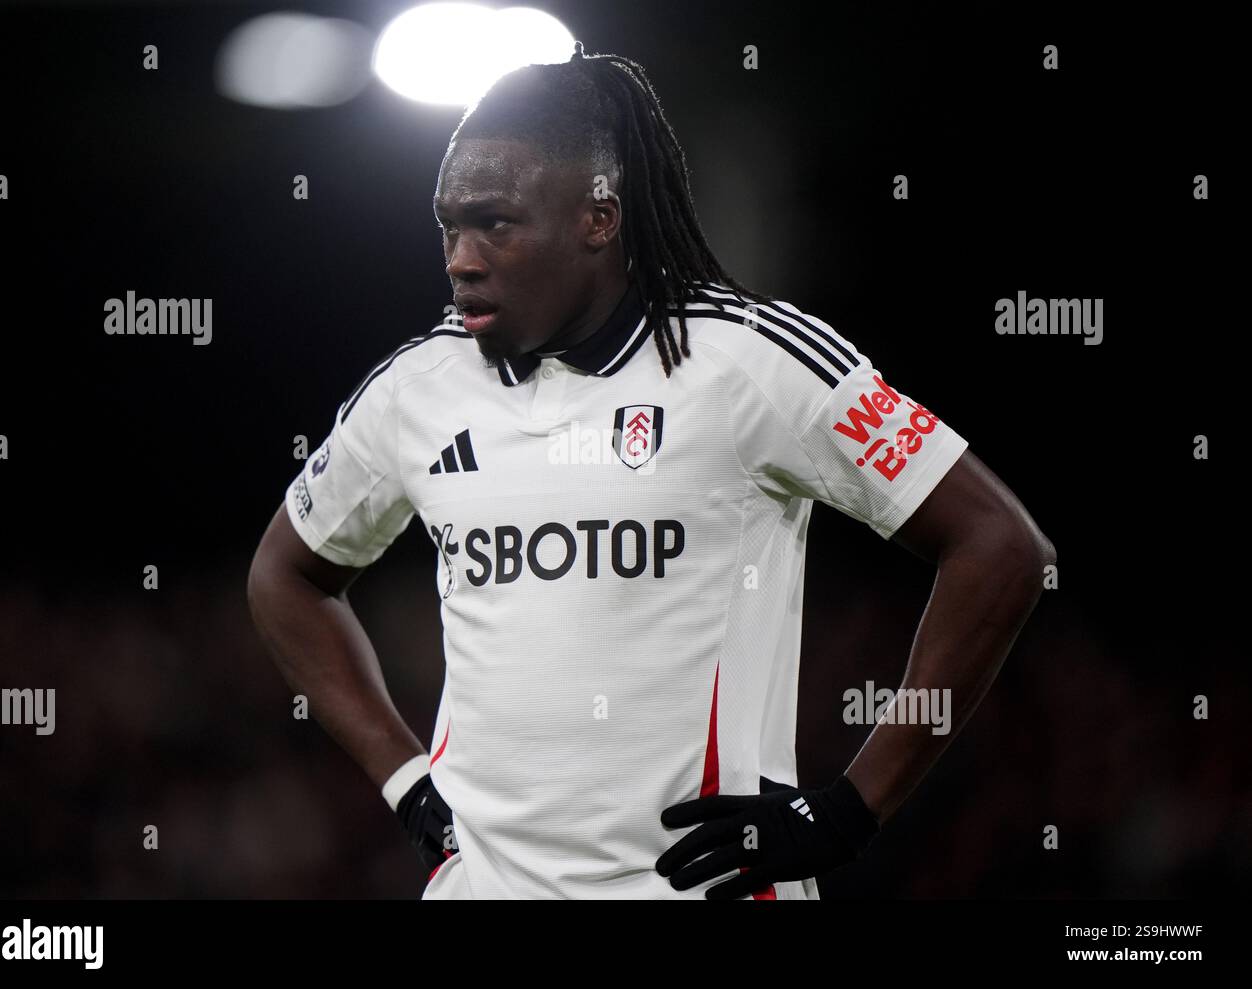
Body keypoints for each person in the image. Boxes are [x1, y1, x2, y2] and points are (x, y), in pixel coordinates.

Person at [247, 44, 1055, 899]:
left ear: (600, 218)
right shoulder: (417, 389)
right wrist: (405, 781)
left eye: (496, 223)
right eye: (450, 224)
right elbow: (286, 575)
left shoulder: (747, 363)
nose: (462, 257)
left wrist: (850, 809)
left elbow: (999, 545)